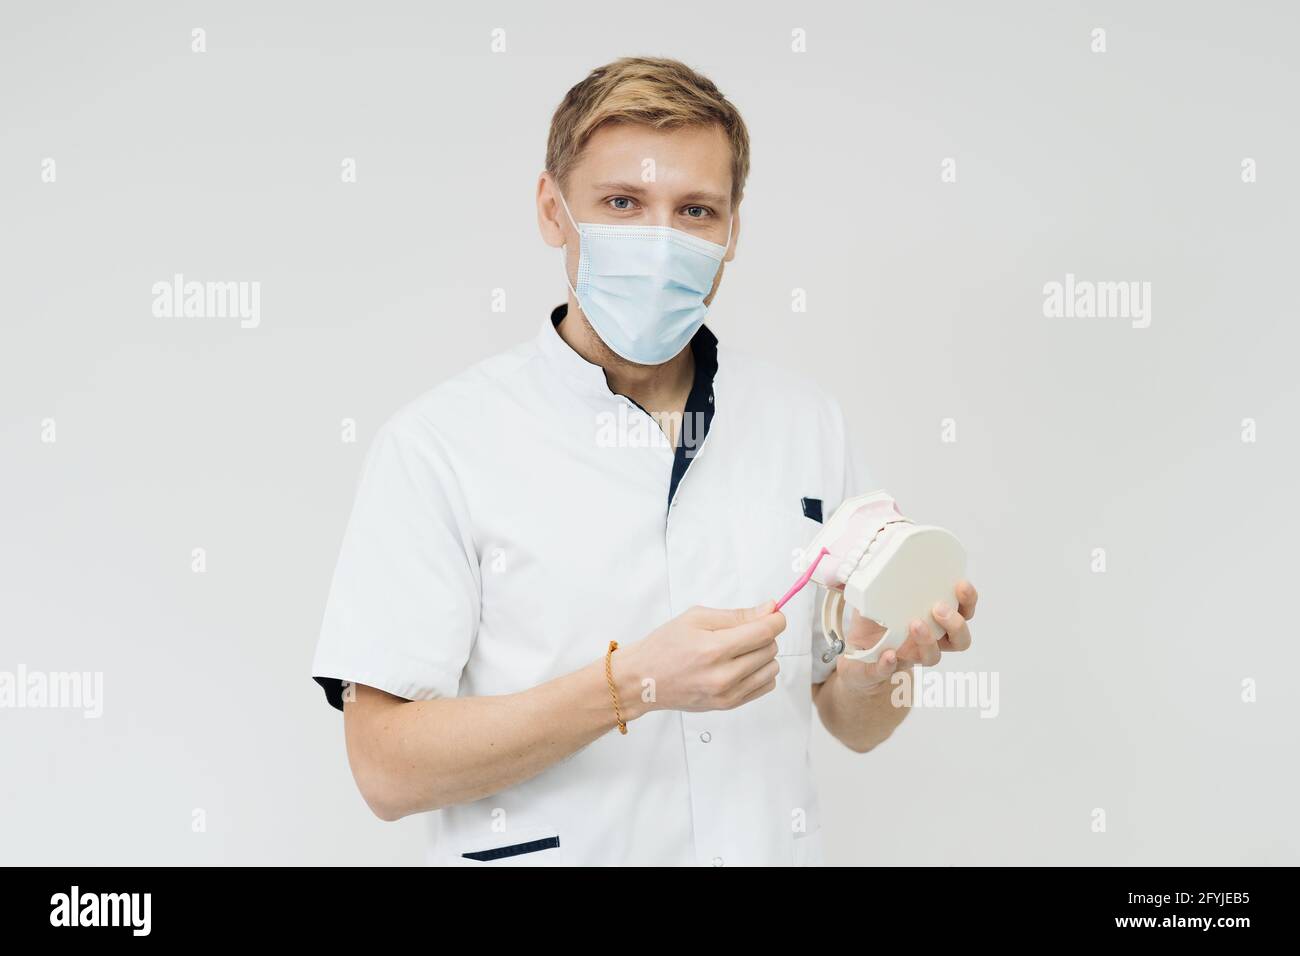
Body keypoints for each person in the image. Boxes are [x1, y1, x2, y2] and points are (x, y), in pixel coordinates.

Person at [311, 56, 978, 866]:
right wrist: (631, 685)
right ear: (553, 209)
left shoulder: (807, 424)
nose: (661, 242)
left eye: (695, 210)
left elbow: (851, 723)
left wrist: (880, 668)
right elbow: (383, 769)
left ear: (733, 232)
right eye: (622, 203)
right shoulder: (439, 447)